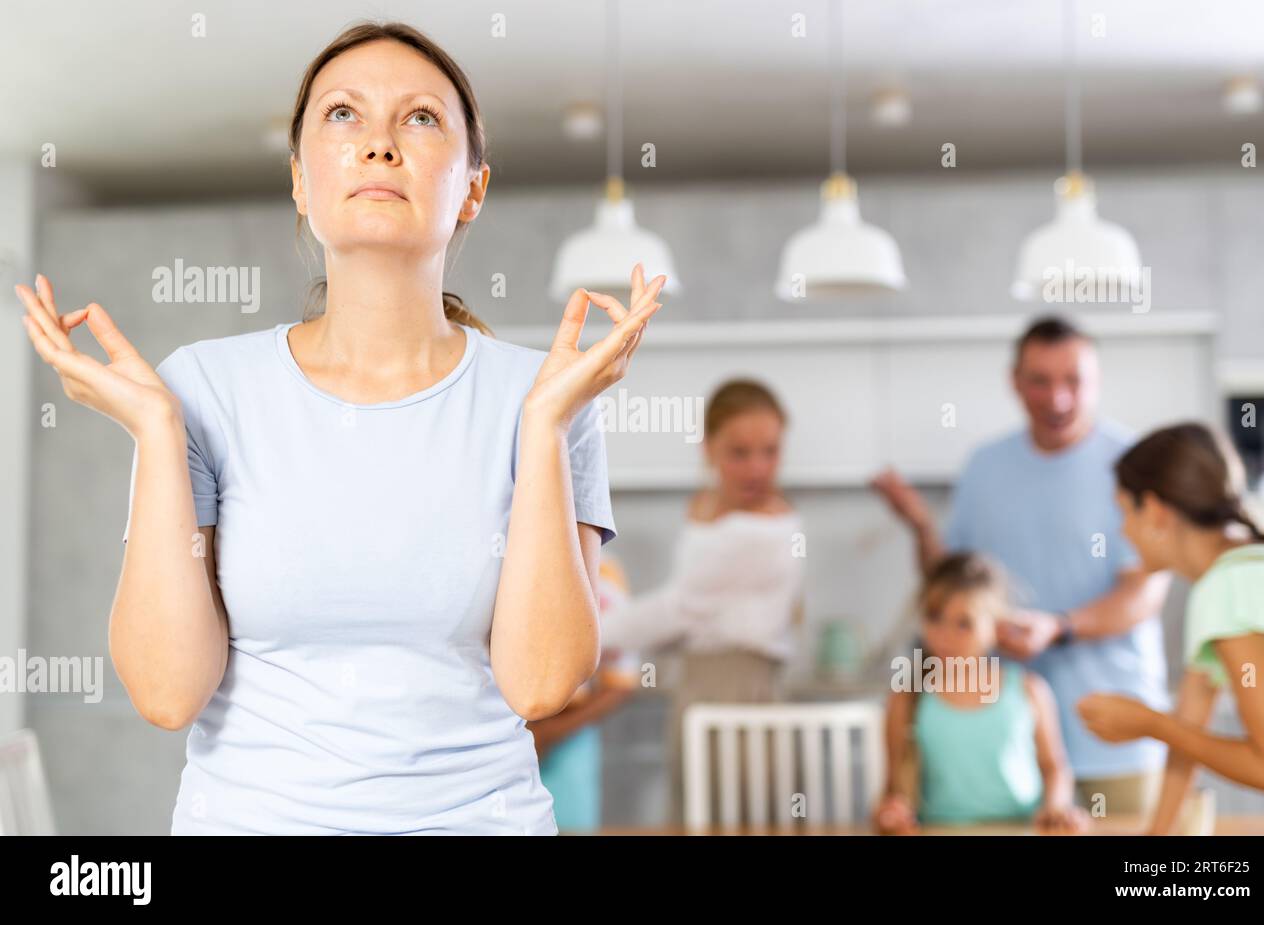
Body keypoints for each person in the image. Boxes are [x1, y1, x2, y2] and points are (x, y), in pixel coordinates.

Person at [16, 21, 666, 835]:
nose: (381, 146)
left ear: (473, 186)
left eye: (421, 118)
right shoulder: (203, 389)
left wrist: (541, 426)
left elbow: (540, 684)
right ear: (300, 181)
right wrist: (155, 430)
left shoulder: (549, 395)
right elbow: (167, 691)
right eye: (343, 116)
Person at [871, 316, 1172, 818]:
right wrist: (922, 526)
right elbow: (950, 581)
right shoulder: (985, 467)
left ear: (1096, 382)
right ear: (1015, 381)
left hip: (1114, 732)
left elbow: (1145, 591)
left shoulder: (1133, 466)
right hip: (1007, 742)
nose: (1057, 398)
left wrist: (1059, 627)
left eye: (1073, 380)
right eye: (1040, 380)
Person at [600, 379, 805, 823]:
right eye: (740, 452)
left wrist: (582, 636)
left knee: (735, 819)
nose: (757, 468)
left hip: (742, 695)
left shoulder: (764, 534)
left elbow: (677, 612)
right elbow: (693, 617)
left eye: (770, 451)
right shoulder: (708, 509)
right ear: (708, 448)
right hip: (699, 687)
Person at [1079, 423, 1264, 833]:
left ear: (1157, 511)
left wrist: (1149, 723)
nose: (1122, 530)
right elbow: (1190, 724)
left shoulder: (1225, 588)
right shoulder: (1263, 566)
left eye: (1126, 511)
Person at [876, 552, 1088, 834]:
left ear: (996, 628)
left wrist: (1056, 808)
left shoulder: (1029, 690)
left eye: (964, 623)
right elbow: (893, 789)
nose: (945, 635)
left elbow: (1055, 768)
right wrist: (891, 814)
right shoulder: (906, 699)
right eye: (934, 617)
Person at [530, 556, 639, 833]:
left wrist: (547, 733)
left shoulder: (601, 572)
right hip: (495, 733)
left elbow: (620, 683)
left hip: (566, 739)